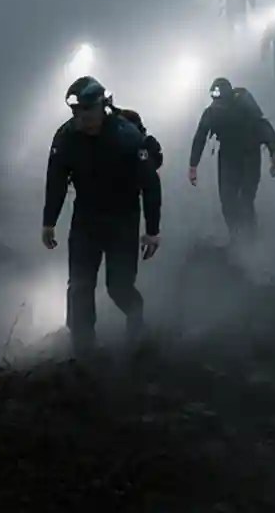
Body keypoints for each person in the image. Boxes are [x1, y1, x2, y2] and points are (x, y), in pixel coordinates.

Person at [42, 76, 162, 355]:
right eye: (76, 112)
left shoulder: (127, 136)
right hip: (86, 219)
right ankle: (83, 346)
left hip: (123, 219)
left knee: (118, 287)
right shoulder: (66, 137)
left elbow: (150, 184)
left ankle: (136, 322)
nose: (82, 117)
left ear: (102, 107)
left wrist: (153, 230)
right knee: (80, 285)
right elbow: (56, 180)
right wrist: (49, 220)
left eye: (87, 110)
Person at [188, 78, 275, 242]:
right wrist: (193, 165)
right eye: (214, 101)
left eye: (220, 101)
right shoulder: (212, 112)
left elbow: (266, 130)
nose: (217, 105)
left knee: (246, 199)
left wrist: (274, 157)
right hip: (227, 157)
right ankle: (236, 236)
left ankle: (251, 238)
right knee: (227, 200)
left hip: (249, 156)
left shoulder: (245, 109)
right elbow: (200, 137)